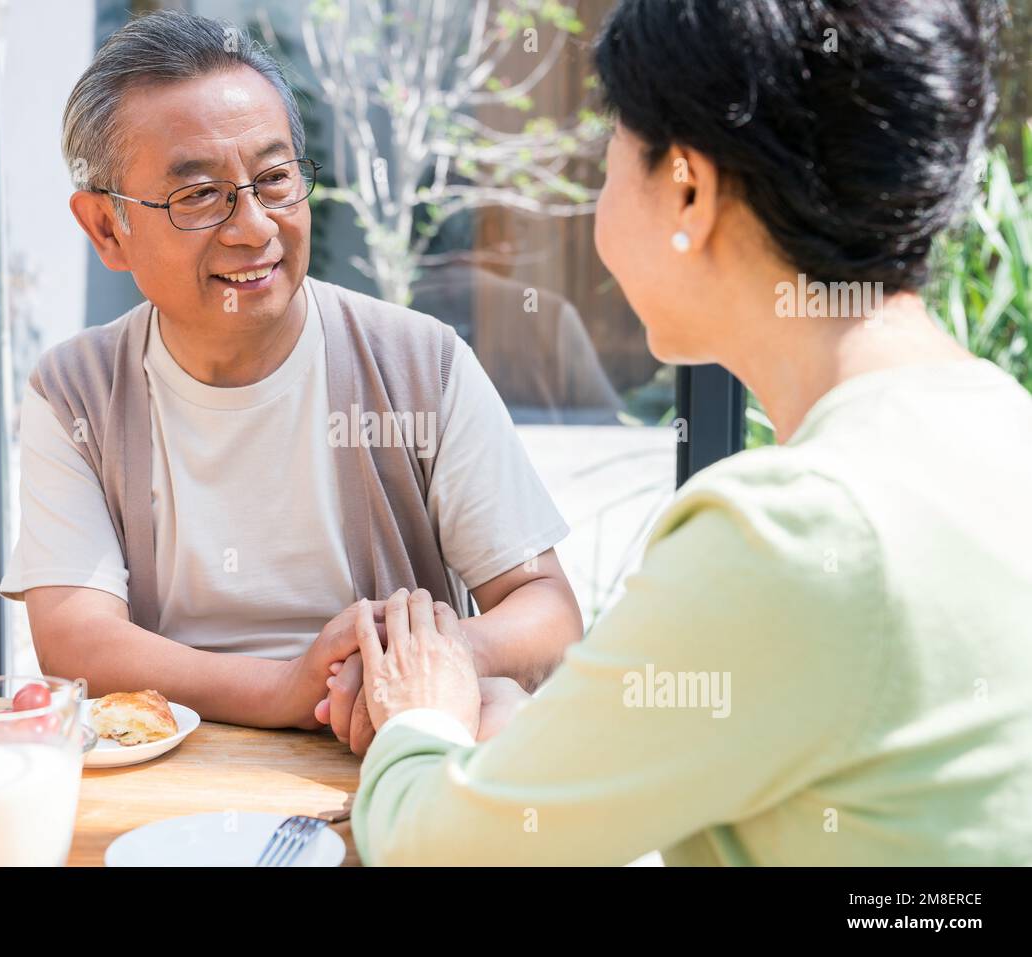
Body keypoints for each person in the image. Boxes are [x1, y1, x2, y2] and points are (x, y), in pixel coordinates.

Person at [350, 0, 1032, 865]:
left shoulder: (798, 530)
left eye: (608, 165)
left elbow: (433, 851)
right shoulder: (1000, 422)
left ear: (686, 188)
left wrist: (420, 711)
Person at [0, 10, 582, 737]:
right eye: (199, 195)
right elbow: (77, 641)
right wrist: (287, 688)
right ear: (107, 229)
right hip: (170, 772)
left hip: (387, 754)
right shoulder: (75, 392)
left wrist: (416, 661)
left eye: (274, 178)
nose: (254, 227)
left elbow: (548, 609)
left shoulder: (419, 363)